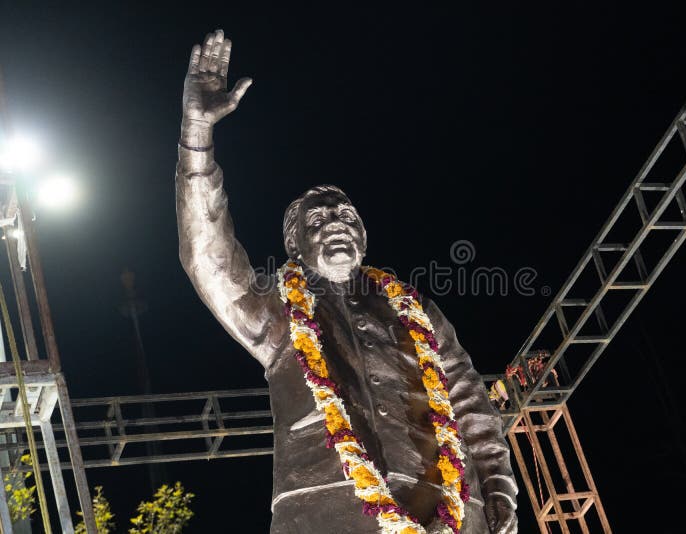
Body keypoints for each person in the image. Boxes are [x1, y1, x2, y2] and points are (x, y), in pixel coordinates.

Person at [176, 30, 518, 534]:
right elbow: (207, 255)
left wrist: (498, 490)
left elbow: (471, 403)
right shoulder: (273, 310)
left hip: (451, 508)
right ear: (294, 246)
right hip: (329, 510)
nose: (335, 221)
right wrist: (196, 137)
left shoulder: (415, 310)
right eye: (318, 219)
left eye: (346, 215)